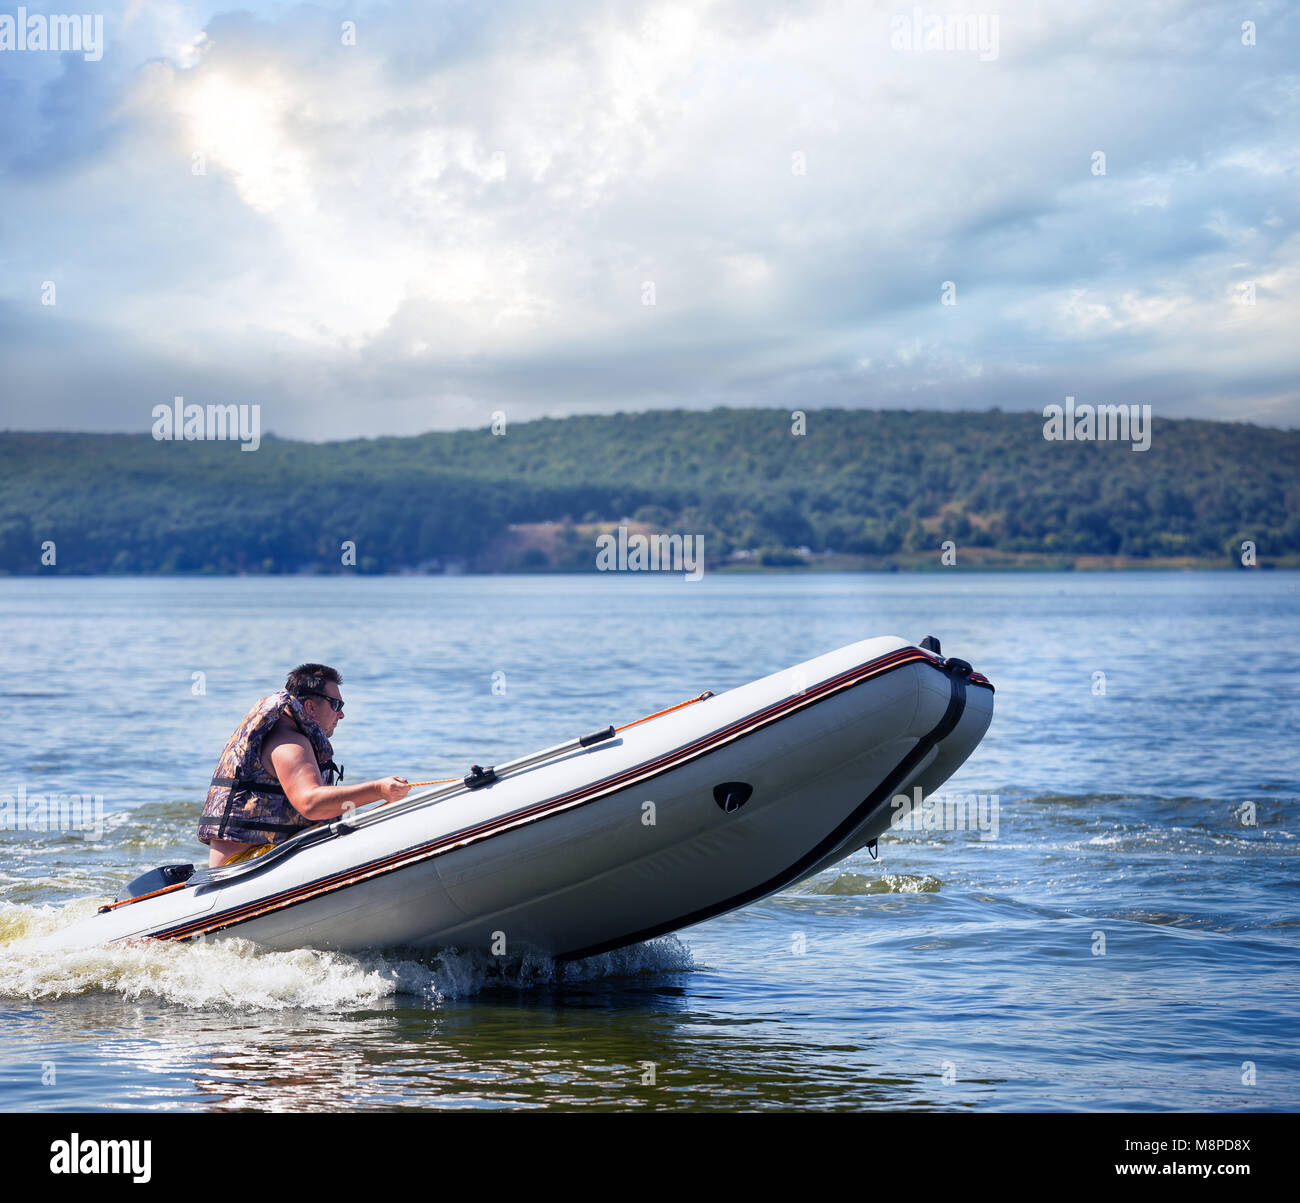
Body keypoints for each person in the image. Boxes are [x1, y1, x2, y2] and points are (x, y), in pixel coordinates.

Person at [198, 663, 411, 867]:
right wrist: (379, 790)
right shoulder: (289, 744)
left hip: (249, 860)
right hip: (244, 865)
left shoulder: (281, 733)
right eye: (336, 705)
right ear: (310, 707)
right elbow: (311, 804)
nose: (341, 714)